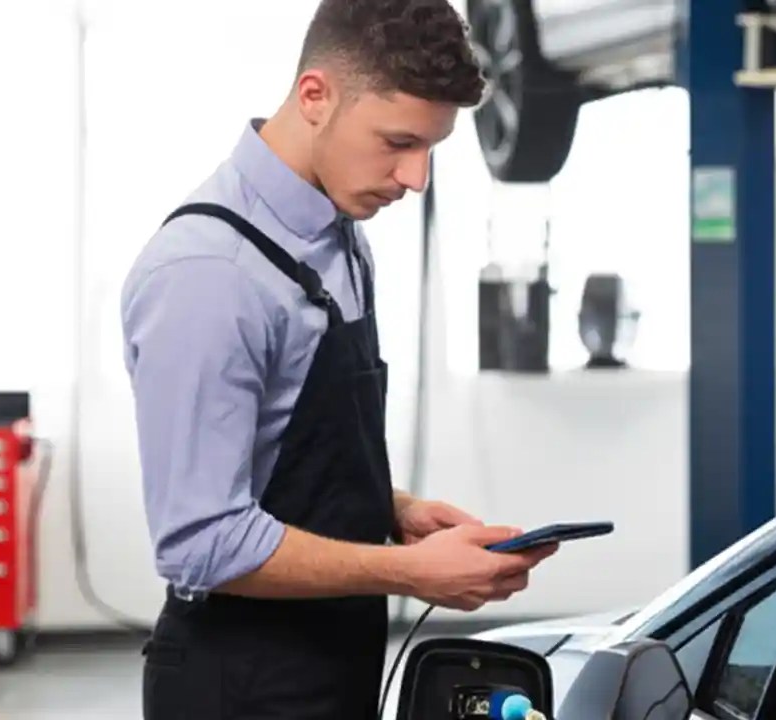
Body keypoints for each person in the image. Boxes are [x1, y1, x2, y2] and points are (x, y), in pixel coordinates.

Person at [119, 1, 558, 718]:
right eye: (397, 142)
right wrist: (409, 572)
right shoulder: (208, 273)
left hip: (336, 661)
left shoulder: (341, 233)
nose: (415, 177)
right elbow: (199, 540)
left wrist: (392, 511)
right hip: (240, 684)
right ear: (315, 96)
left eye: (430, 150)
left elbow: (278, 456)